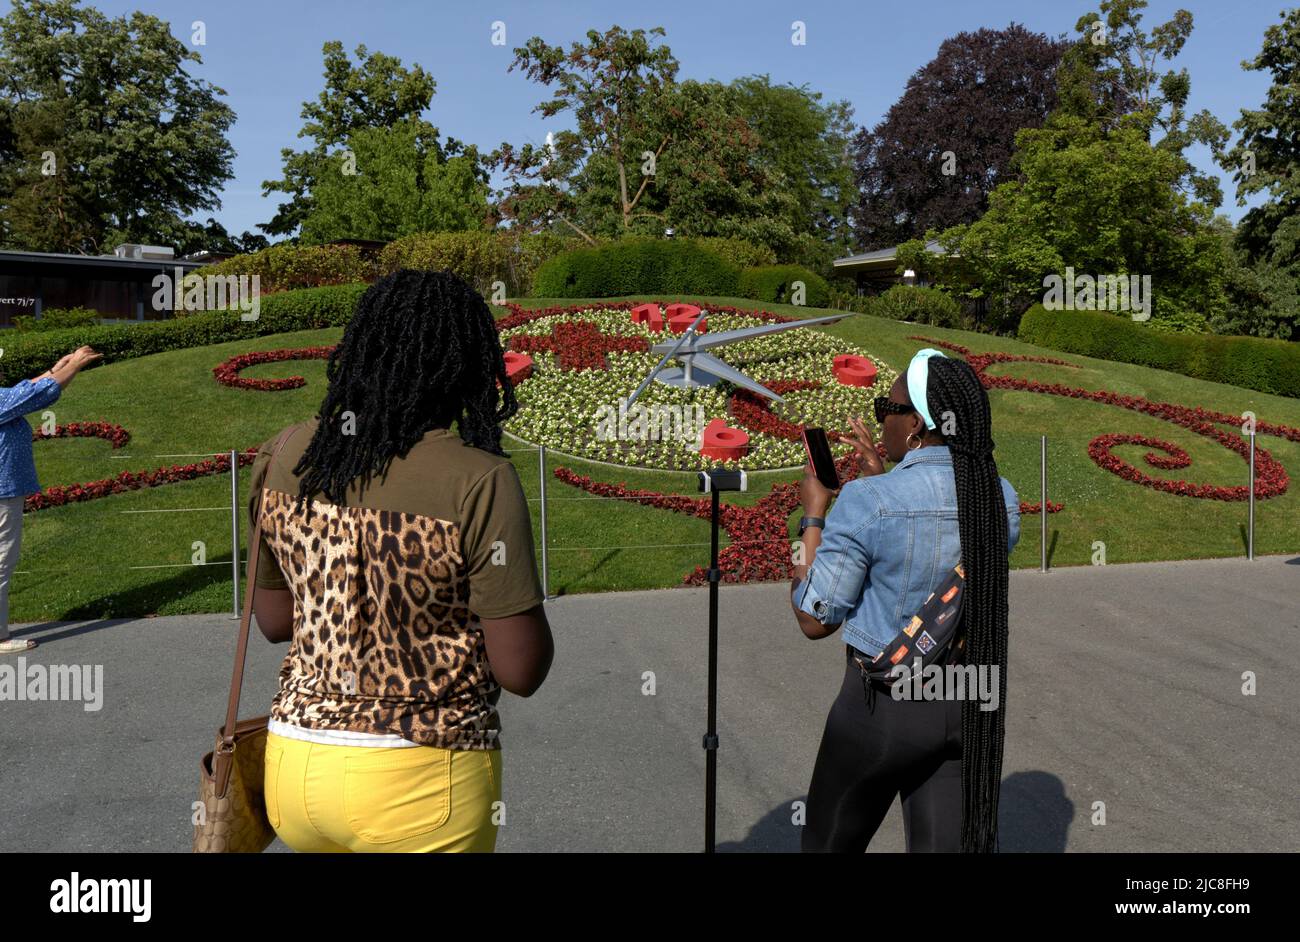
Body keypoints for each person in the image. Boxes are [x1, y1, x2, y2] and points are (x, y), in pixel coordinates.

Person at [248, 269, 554, 853]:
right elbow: (521, 672)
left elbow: (274, 623)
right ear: (467, 369)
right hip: (421, 778)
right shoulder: (478, 478)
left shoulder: (282, 454)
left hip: (295, 768)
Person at [791, 348, 1021, 852]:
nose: (882, 421)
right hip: (964, 702)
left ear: (915, 423)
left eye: (886, 410)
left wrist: (814, 516)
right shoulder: (999, 497)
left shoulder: (871, 503)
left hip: (882, 711)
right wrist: (883, 484)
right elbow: (936, 542)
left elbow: (815, 616)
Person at [0, 345, 103, 655]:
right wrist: (74, 367)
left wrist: (57, 368)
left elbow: (23, 392)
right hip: (2, 493)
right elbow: (35, 396)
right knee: (2, 559)